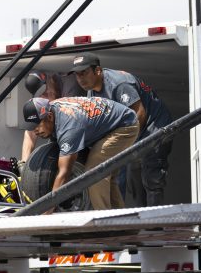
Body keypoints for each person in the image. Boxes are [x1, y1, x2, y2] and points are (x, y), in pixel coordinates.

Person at [70, 53, 173, 206]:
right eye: (77, 75)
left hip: (154, 129)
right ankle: (137, 223)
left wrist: (122, 143)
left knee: (152, 178)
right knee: (133, 182)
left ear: (97, 71)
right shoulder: (92, 92)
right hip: (134, 133)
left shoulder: (119, 84)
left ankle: (155, 224)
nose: (80, 79)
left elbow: (140, 114)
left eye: (84, 73)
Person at [22, 96, 139, 211]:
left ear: (50, 116)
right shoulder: (52, 110)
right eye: (32, 126)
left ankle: (104, 224)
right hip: (108, 122)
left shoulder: (69, 128)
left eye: (37, 125)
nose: (35, 130)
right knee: (107, 177)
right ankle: (122, 226)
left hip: (124, 125)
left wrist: (47, 211)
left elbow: (64, 173)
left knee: (95, 171)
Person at [20, 71, 85, 164]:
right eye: (40, 96)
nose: (44, 98)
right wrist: (24, 163)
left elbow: (71, 128)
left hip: (80, 130)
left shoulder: (71, 86)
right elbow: (31, 132)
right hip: (61, 126)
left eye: (45, 92)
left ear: (50, 81)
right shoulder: (42, 99)